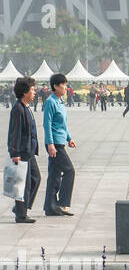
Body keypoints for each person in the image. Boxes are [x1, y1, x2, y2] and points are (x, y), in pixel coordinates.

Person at [41, 73, 75, 218]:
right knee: (69, 171)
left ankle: (50, 207)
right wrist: (50, 144)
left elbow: (62, 124)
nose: (65, 87)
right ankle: (62, 204)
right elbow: (47, 124)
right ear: (55, 86)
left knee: (54, 175)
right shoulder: (50, 102)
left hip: (61, 141)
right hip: (54, 144)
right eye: (63, 85)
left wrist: (69, 138)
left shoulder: (60, 102)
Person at [7, 77, 41, 223]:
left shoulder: (25, 107)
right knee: (23, 184)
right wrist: (14, 153)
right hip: (22, 152)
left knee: (35, 179)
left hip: (29, 151)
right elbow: (15, 132)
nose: (34, 92)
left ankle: (20, 207)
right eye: (32, 89)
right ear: (25, 92)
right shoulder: (18, 109)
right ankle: (21, 215)